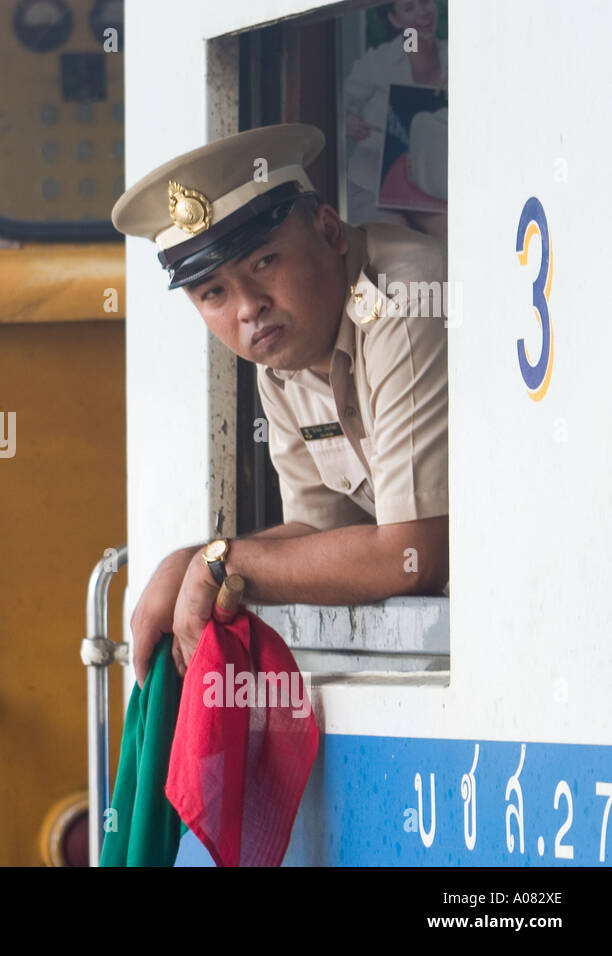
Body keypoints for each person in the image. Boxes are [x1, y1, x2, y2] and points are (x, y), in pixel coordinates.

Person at [111, 123, 449, 683]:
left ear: (329, 231)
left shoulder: (400, 302)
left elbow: (412, 555)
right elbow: (320, 531)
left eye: (264, 262)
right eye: (214, 293)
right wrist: (191, 561)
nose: (248, 308)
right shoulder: (285, 367)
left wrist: (224, 565)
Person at [343, 0, 447, 236]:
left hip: (431, 185)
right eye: (409, 8)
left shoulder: (456, 55)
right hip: (372, 185)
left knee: (456, 236)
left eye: (425, 1)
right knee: (403, 249)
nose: (422, 12)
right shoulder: (378, 62)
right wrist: (347, 122)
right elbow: (335, 106)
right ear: (394, 19)